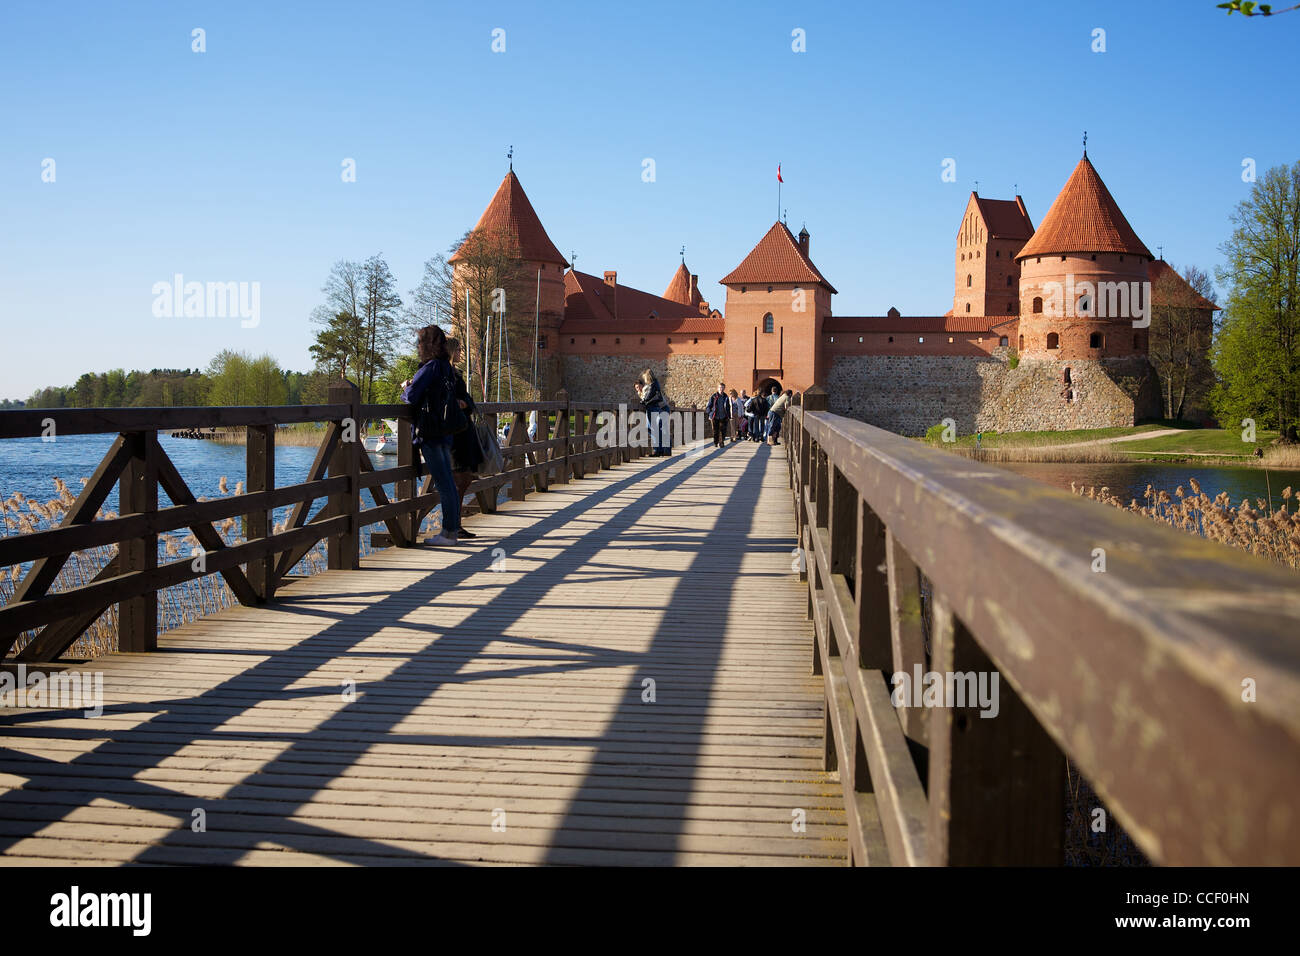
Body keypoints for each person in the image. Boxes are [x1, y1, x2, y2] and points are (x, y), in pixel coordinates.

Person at [400, 325, 466, 546]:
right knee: (448, 481)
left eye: (420, 343)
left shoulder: (430, 368)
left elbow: (411, 396)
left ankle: (448, 534)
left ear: (427, 345)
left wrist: (406, 387)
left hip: (430, 432)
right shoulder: (446, 368)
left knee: (444, 483)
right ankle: (452, 531)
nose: (418, 347)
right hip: (445, 432)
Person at [445, 338, 482, 539]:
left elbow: (467, 399)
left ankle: (455, 523)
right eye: (458, 349)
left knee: (465, 478)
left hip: (464, 430)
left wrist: (465, 402)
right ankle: (452, 524)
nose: (461, 352)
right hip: (455, 433)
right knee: (458, 478)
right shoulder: (444, 373)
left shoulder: (456, 373)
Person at [638, 368, 671, 456]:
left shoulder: (653, 385)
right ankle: (663, 450)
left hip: (655, 408)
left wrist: (643, 401)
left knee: (654, 429)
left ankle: (658, 450)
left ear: (647, 377)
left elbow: (649, 395)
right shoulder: (654, 384)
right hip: (659, 408)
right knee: (659, 430)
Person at [706, 381, 730, 448]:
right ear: (717, 388)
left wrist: (729, 416)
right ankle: (716, 442)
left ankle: (721, 442)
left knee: (723, 430)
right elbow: (709, 406)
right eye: (720, 387)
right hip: (715, 416)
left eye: (722, 387)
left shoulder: (726, 397)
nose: (721, 389)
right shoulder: (713, 396)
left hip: (723, 416)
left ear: (724, 388)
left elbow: (728, 407)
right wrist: (709, 414)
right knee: (715, 431)